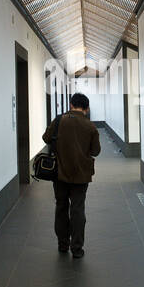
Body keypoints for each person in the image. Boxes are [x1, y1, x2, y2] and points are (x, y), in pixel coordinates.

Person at [42, 92, 100, 257]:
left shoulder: (59, 120)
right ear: (86, 109)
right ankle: (76, 248)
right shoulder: (90, 126)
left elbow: (46, 138)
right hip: (81, 175)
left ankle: (62, 244)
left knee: (61, 207)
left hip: (59, 173)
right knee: (77, 210)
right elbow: (96, 151)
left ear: (71, 105)